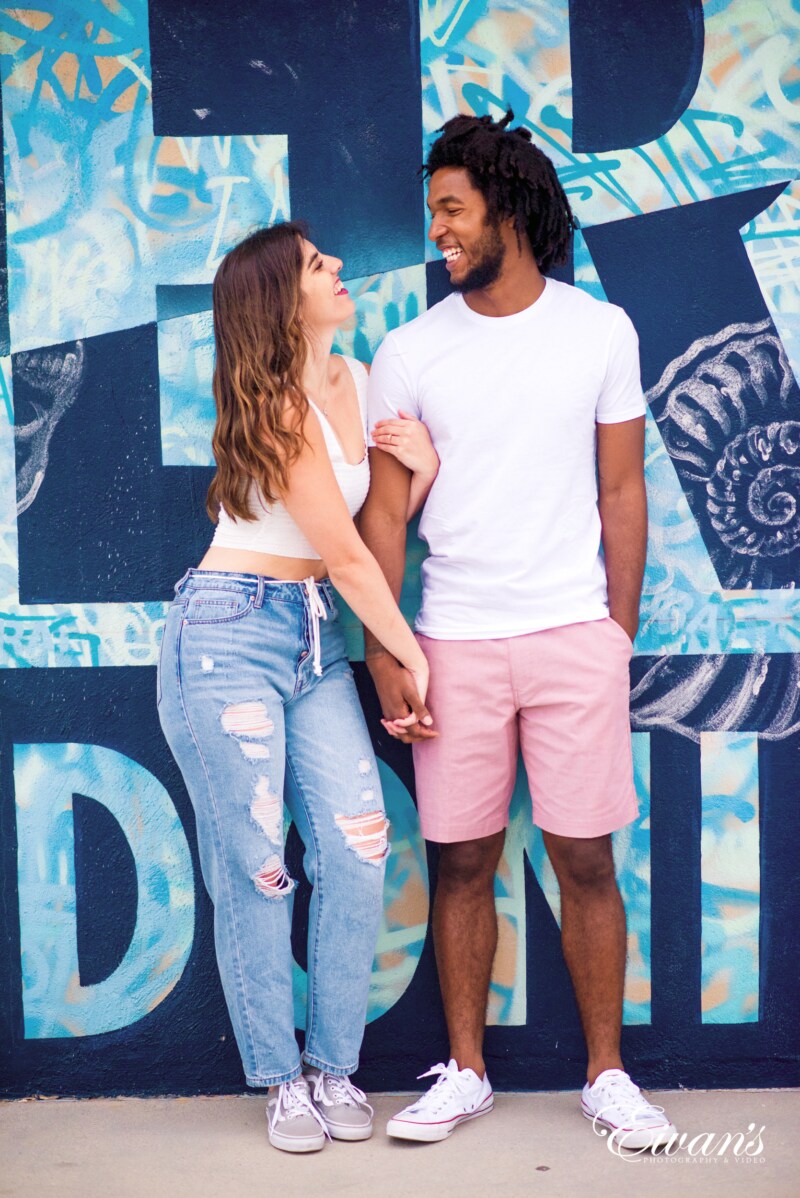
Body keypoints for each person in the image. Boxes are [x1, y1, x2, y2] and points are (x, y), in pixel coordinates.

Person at [361, 112, 677, 1150]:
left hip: (569, 638)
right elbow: (382, 520)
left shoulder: (599, 330)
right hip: (451, 641)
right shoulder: (408, 350)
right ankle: (464, 1071)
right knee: (461, 861)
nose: (438, 231)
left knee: (584, 860)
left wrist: (612, 633)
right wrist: (388, 649)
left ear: (506, 206)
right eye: (432, 213)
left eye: (452, 210)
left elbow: (621, 490)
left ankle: (606, 1076)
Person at [157, 221, 439, 1153]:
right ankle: (282, 1080)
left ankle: (335, 1065)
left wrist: (421, 470)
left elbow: (365, 523)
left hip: (311, 636)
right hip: (228, 635)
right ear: (284, 299)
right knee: (258, 867)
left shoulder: (353, 378)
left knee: (359, 848)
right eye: (320, 266)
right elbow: (352, 558)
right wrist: (408, 654)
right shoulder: (277, 404)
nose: (339, 271)